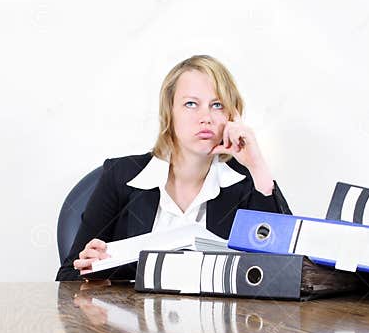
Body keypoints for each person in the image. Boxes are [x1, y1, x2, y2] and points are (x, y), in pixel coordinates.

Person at [56, 54, 292, 281]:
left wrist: (257, 165)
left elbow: (286, 272)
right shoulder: (120, 176)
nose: (206, 117)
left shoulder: (246, 182)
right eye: (191, 104)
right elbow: (68, 274)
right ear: (169, 113)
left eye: (217, 105)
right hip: (134, 320)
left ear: (232, 114)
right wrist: (92, 271)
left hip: (219, 321)